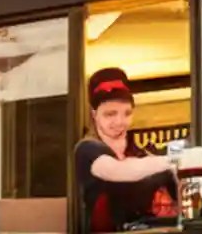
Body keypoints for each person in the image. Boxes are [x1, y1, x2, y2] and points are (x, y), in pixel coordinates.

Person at [75, 67, 179, 232]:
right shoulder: (87, 150)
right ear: (94, 115)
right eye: (110, 114)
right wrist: (174, 160)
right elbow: (119, 170)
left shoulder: (144, 154)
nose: (120, 121)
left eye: (127, 113)